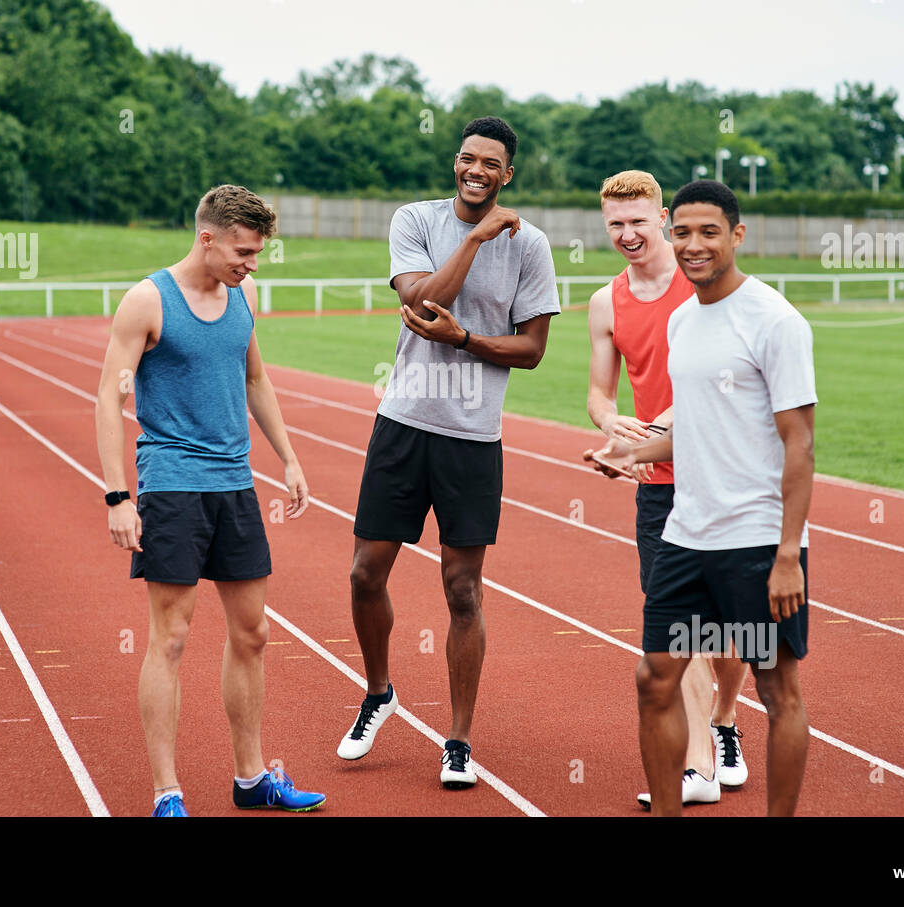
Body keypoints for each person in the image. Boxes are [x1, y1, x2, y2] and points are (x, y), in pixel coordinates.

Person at [338, 117, 561, 787]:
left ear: (507, 174)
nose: (476, 170)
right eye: (468, 158)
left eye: (491, 163)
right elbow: (422, 301)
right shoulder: (415, 219)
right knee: (365, 573)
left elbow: (532, 350)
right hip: (403, 422)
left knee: (463, 590)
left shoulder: (532, 246)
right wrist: (475, 238)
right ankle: (379, 691)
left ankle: (457, 738)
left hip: (472, 438)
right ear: (455, 161)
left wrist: (465, 340)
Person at [95, 184, 326, 816]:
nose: (252, 264)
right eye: (243, 252)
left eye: (257, 253)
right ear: (208, 238)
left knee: (253, 633)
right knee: (170, 638)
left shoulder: (240, 297)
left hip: (235, 485)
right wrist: (118, 496)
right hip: (172, 485)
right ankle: (166, 794)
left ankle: (252, 780)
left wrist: (289, 458)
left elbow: (255, 378)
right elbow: (110, 398)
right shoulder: (148, 300)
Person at [593, 180, 815, 817]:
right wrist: (628, 454)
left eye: (709, 232)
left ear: (737, 236)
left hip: (755, 538)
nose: (694, 245)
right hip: (686, 532)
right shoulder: (684, 320)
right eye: (685, 233)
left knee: (777, 690)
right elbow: (690, 428)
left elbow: (800, 445)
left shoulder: (775, 320)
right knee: (655, 678)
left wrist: (788, 555)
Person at [584, 170, 749, 807]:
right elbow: (599, 393)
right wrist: (612, 425)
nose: (627, 234)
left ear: (662, 219)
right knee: (680, 624)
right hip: (659, 486)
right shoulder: (606, 303)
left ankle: (725, 721)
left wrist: (658, 428)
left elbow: (722, 379)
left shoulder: (703, 285)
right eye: (615, 224)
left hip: (721, 477)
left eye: (638, 222)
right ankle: (699, 765)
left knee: (727, 629)